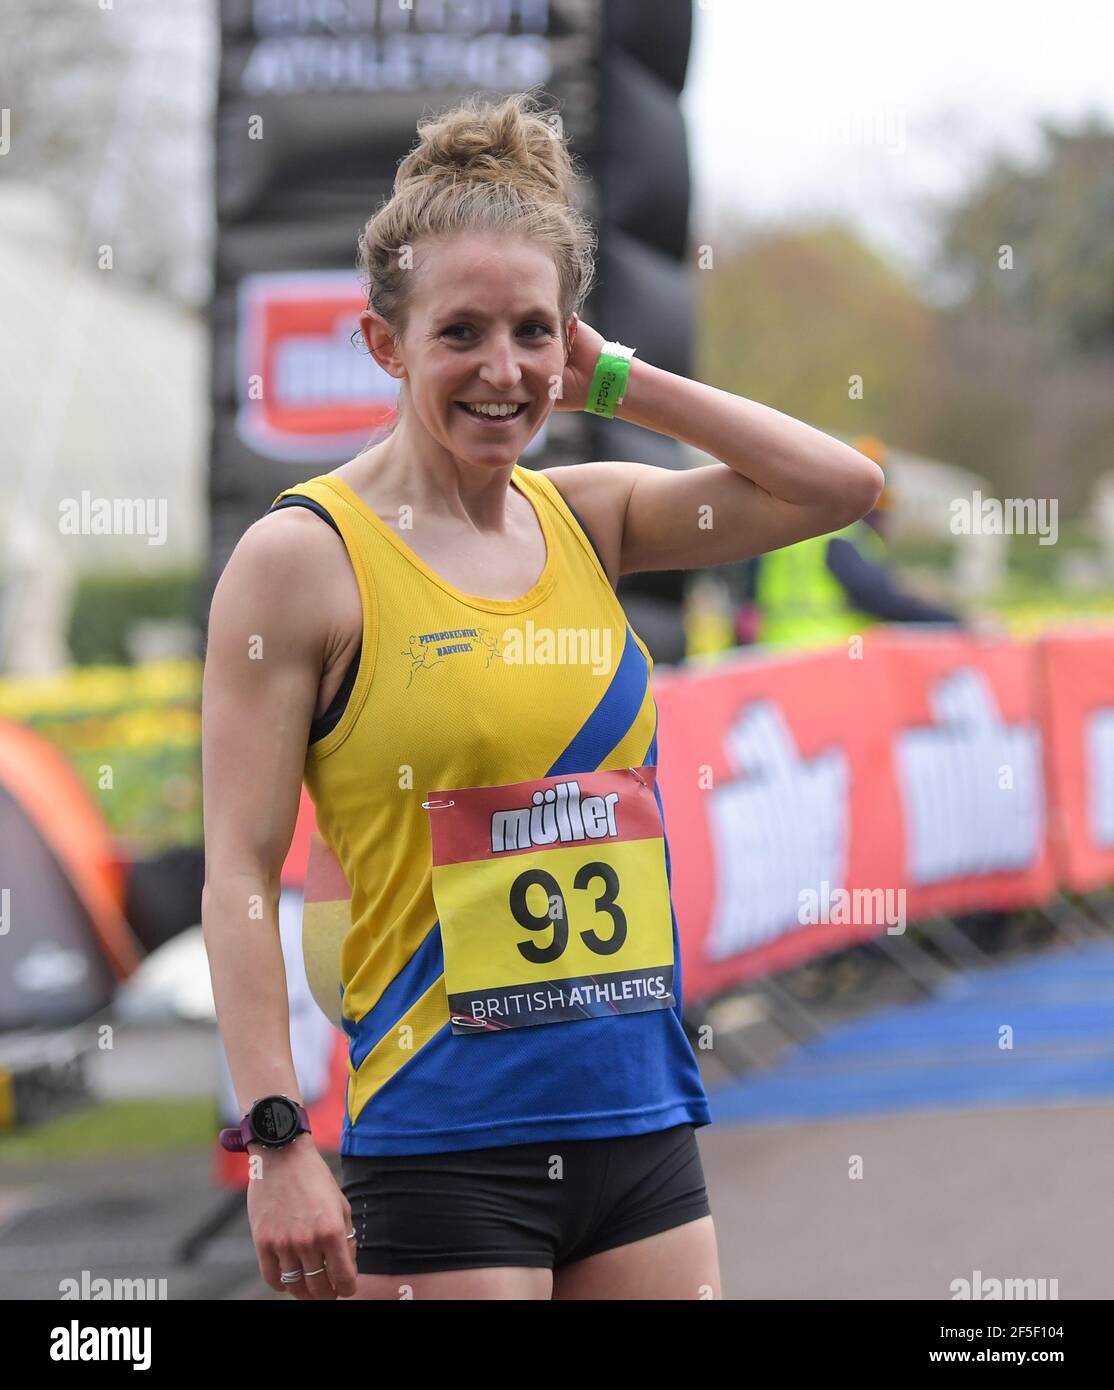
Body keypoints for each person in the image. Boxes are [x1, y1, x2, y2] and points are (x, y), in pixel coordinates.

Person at [200, 89, 883, 1302]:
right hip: (448, 1134)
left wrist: (623, 382)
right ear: (382, 342)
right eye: (460, 331)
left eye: (533, 331)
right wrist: (273, 1137)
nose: (502, 371)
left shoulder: (592, 515)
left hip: (635, 1115)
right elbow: (239, 874)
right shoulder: (302, 559)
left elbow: (835, 487)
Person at [754, 435, 963, 648]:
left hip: (776, 655)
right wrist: (957, 623)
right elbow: (881, 599)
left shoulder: (789, 534)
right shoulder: (842, 539)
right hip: (825, 655)